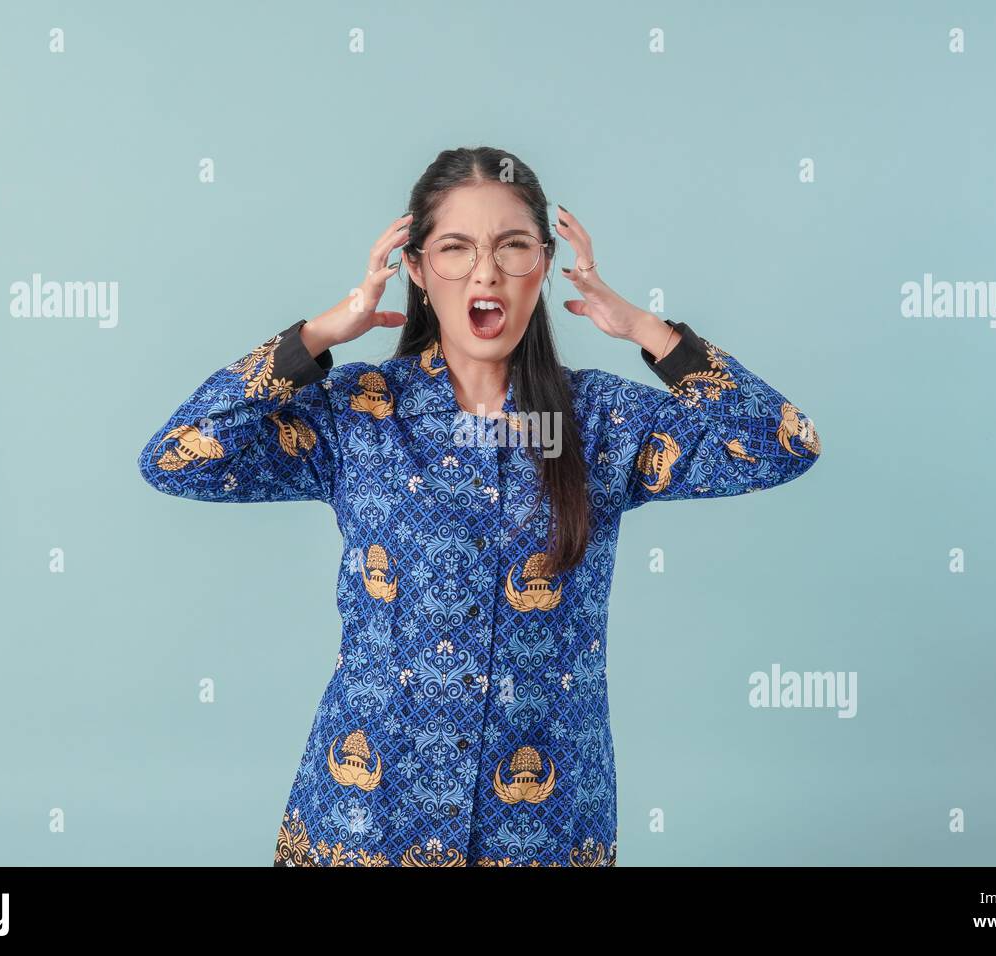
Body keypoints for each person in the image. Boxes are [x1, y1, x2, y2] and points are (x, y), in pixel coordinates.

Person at [137, 146, 823, 867]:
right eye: (456, 249)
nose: (486, 273)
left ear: (548, 266)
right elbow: (179, 455)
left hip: (541, 823)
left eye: (513, 248)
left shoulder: (603, 422)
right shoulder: (360, 413)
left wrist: (643, 328)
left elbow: (784, 444)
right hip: (368, 816)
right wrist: (320, 335)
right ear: (416, 269)